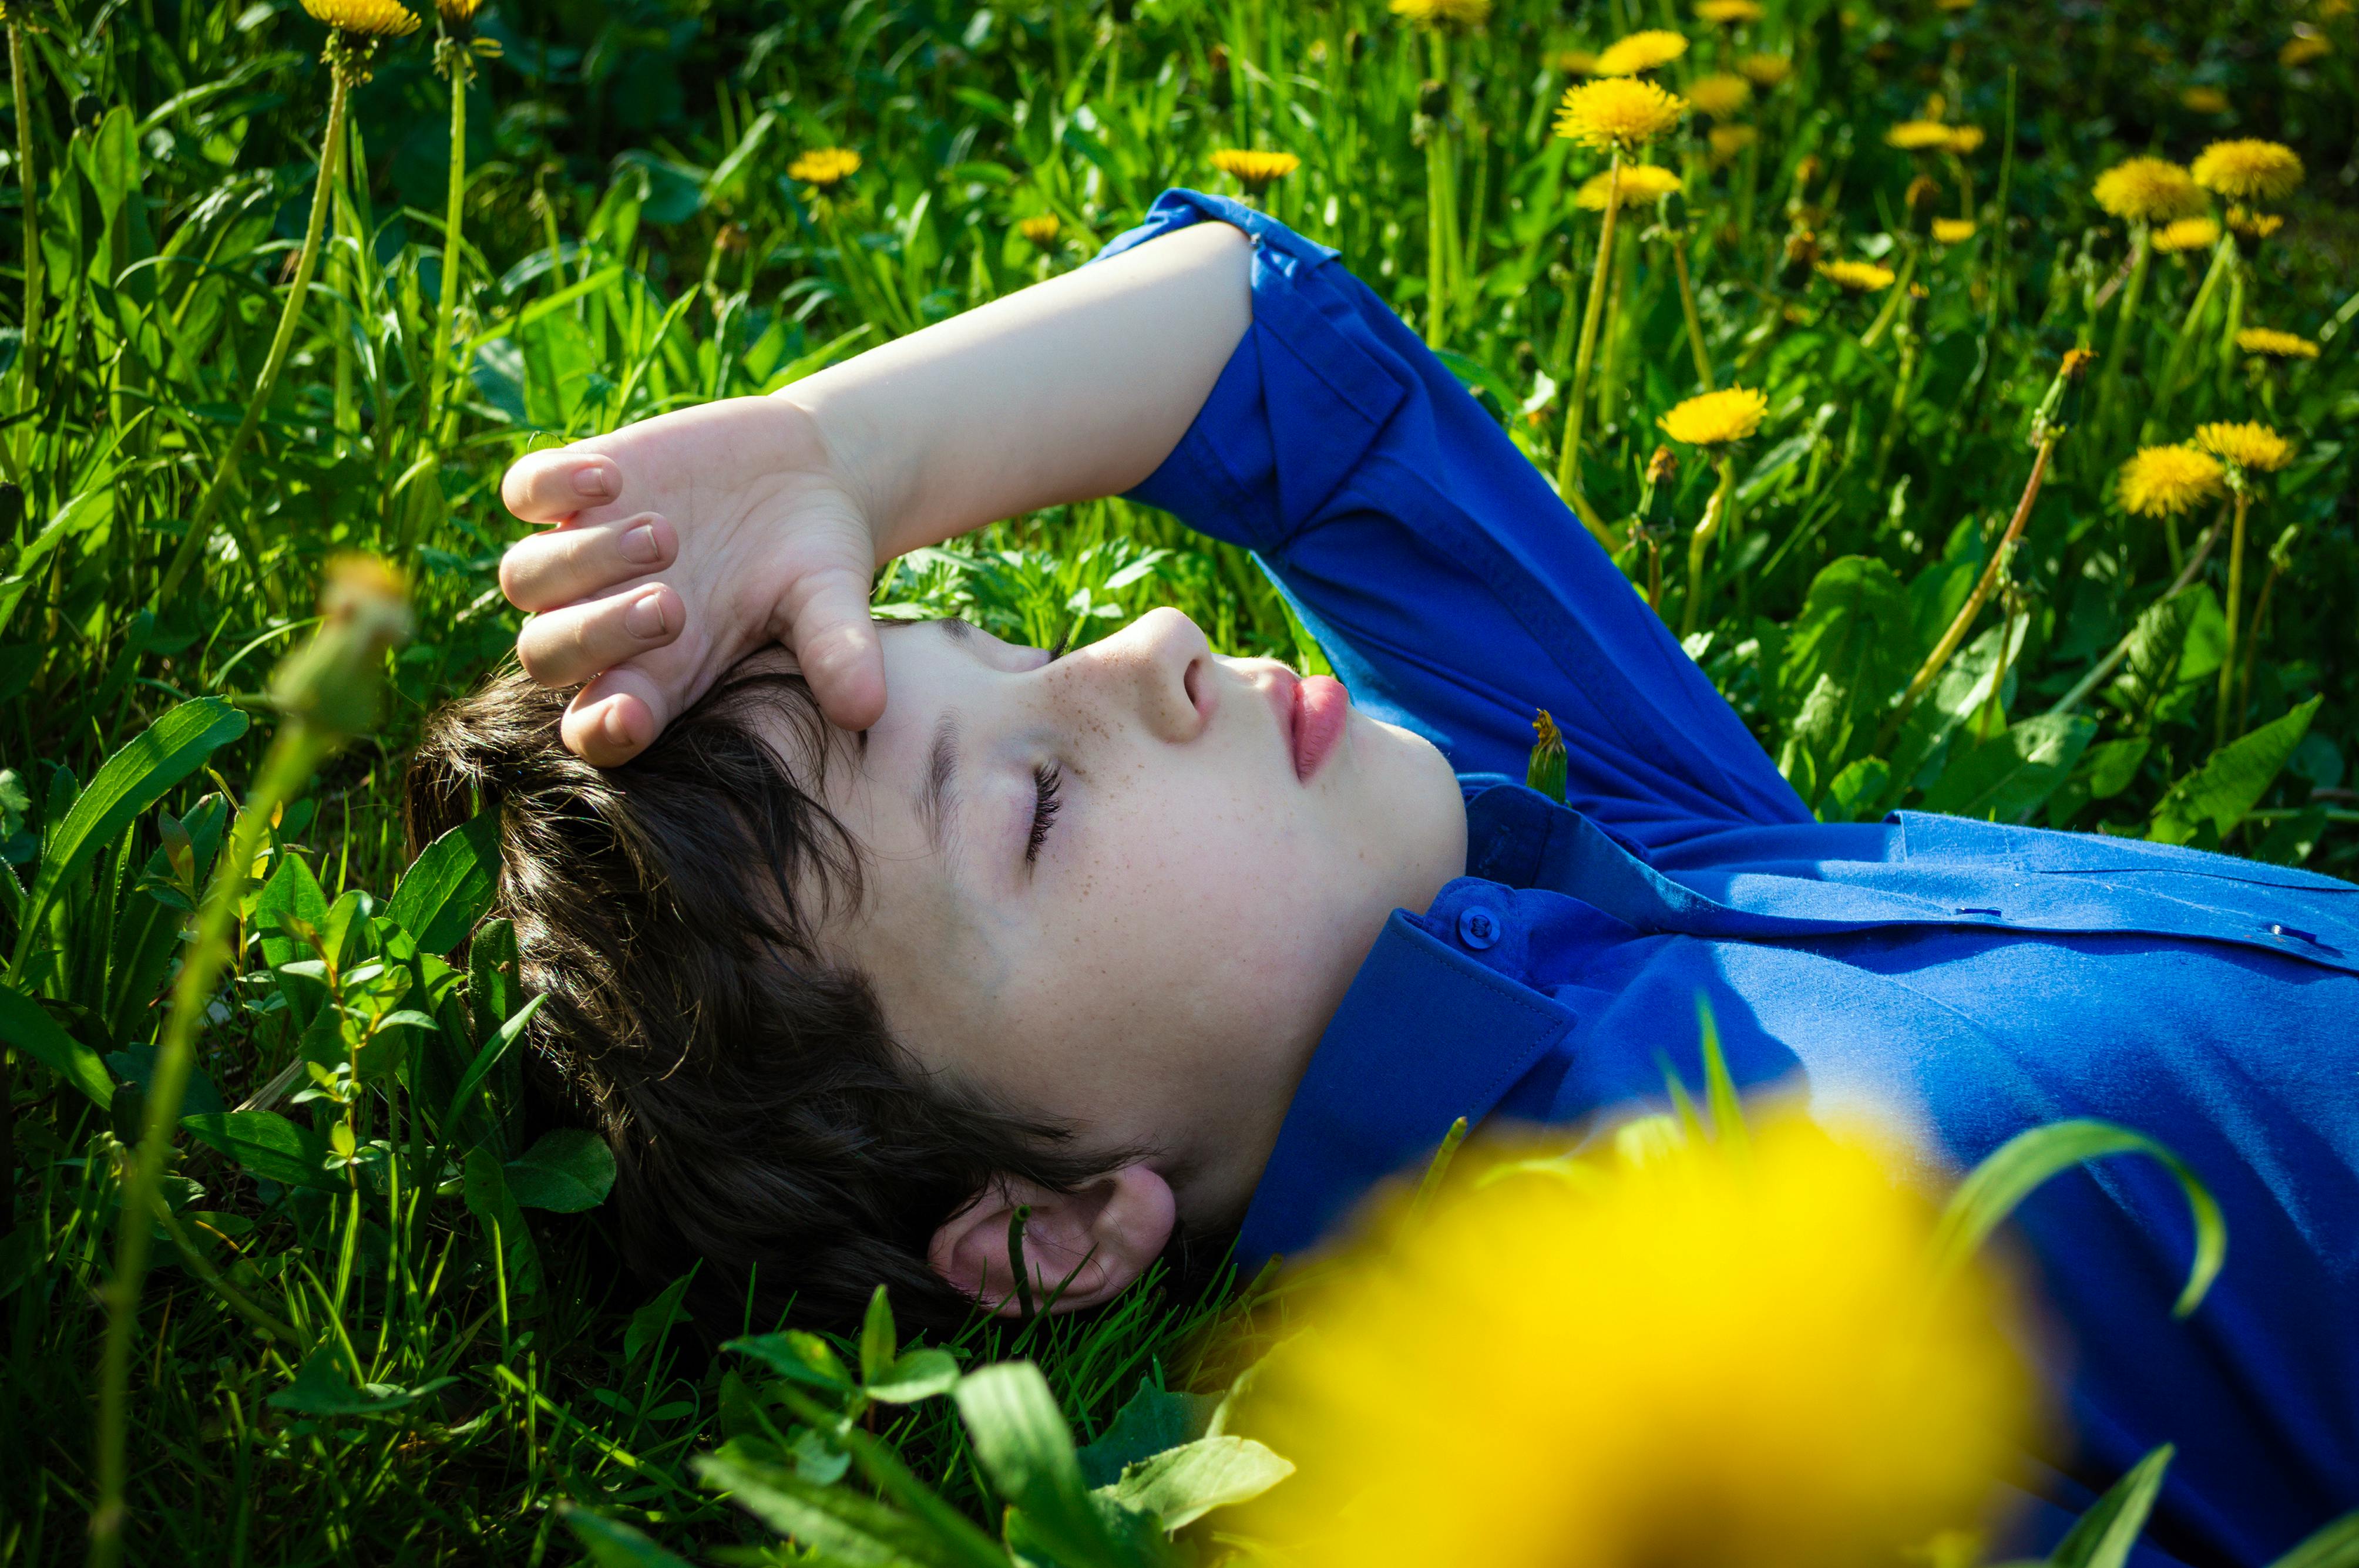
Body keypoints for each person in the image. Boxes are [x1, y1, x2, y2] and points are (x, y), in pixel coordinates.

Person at [414, 190, 2359, 1565]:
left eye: (1014, 651)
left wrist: (841, 460)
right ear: (1051, 1224)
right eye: (1033, 805)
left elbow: (1251, 342)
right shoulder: (1619, 1391)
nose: (1155, 640)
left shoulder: (1604, 831)